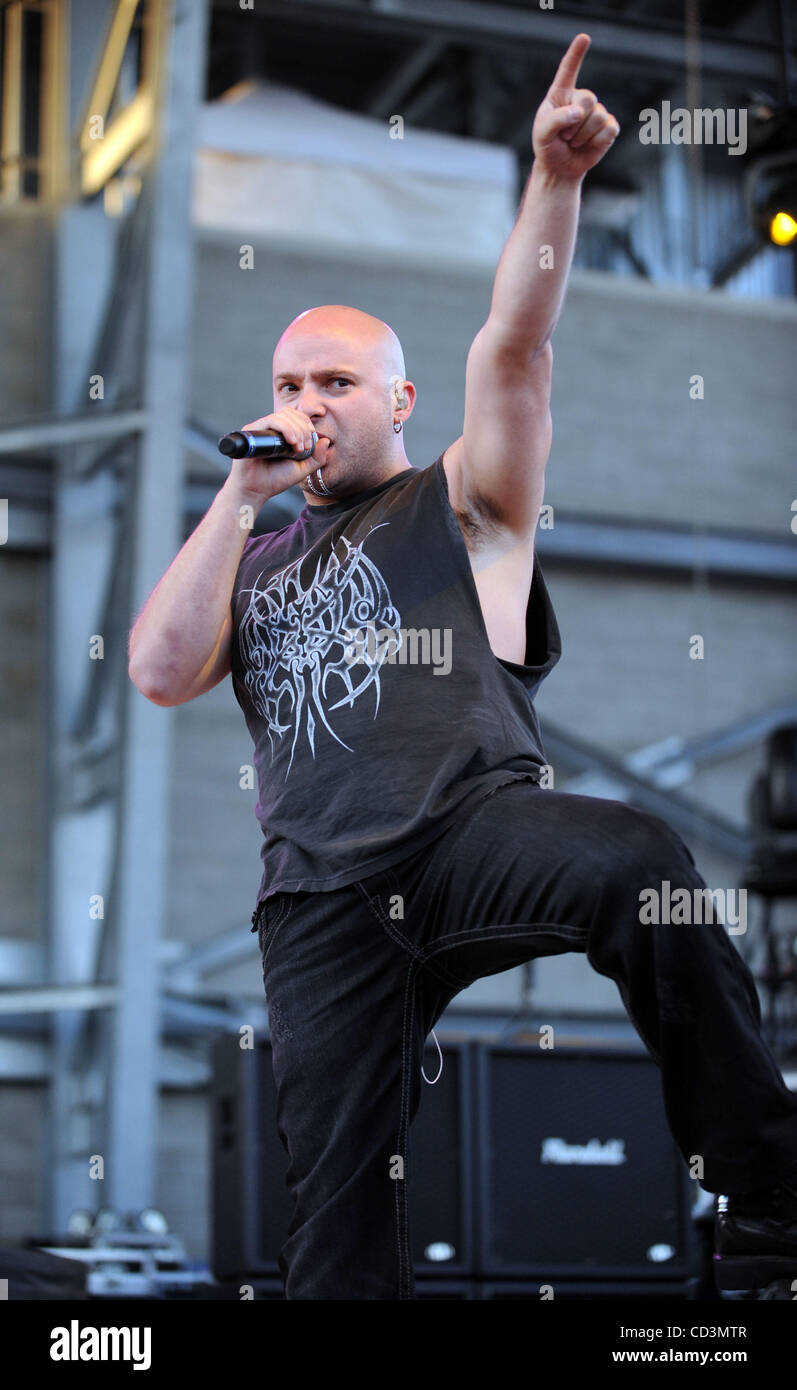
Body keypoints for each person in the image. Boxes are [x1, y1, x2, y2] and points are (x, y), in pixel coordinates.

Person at [128, 32, 797, 1299]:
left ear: (399, 400)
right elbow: (160, 672)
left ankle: (764, 1191)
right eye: (286, 380)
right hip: (317, 903)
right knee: (329, 1230)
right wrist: (234, 493)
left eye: (335, 380)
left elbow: (515, 350)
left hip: (462, 835)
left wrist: (551, 178)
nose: (306, 400)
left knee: (632, 860)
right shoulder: (255, 553)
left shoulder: (458, 504)